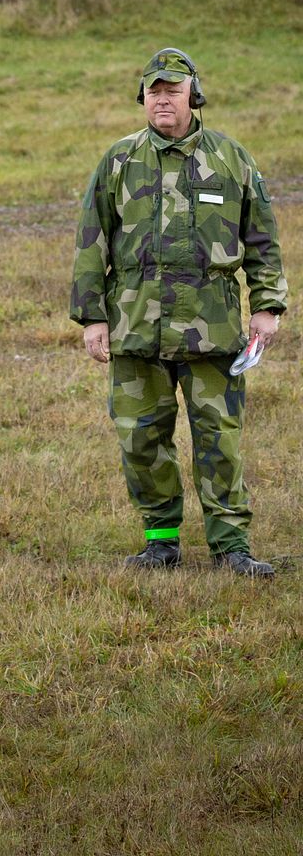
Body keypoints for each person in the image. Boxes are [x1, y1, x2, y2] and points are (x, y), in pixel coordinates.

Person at [70, 47, 288, 577]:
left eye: (172, 90)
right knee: (142, 438)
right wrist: (93, 318)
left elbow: (261, 239)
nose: (161, 98)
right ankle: (161, 541)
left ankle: (231, 546)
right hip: (135, 327)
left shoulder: (231, 158)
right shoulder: (118, 161)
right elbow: (90, 242)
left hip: (212, 331)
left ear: (194, 95)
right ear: (143, 98)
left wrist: (267, 305)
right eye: (153, 91)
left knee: (220, 438)